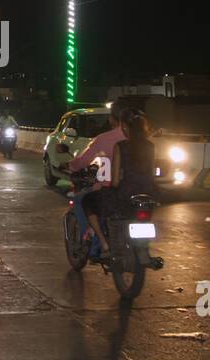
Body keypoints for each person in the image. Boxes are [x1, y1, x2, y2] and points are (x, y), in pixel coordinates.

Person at [86, 108, 156, 258]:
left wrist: (110, 189)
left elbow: (116, 180)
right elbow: (151, 174)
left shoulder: (121, 146)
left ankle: (105, 243)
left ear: (124, 126)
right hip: (149, 194)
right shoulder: (151, 146)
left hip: (126, 194)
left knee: (88, 201)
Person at [65, 103, 125, 257]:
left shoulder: (104, 139)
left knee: (81, 200)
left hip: (110, 189)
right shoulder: (141, 140)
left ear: (112, 119)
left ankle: (92, 238)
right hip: (137, 190)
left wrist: (71, 165)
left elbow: (83, 161)